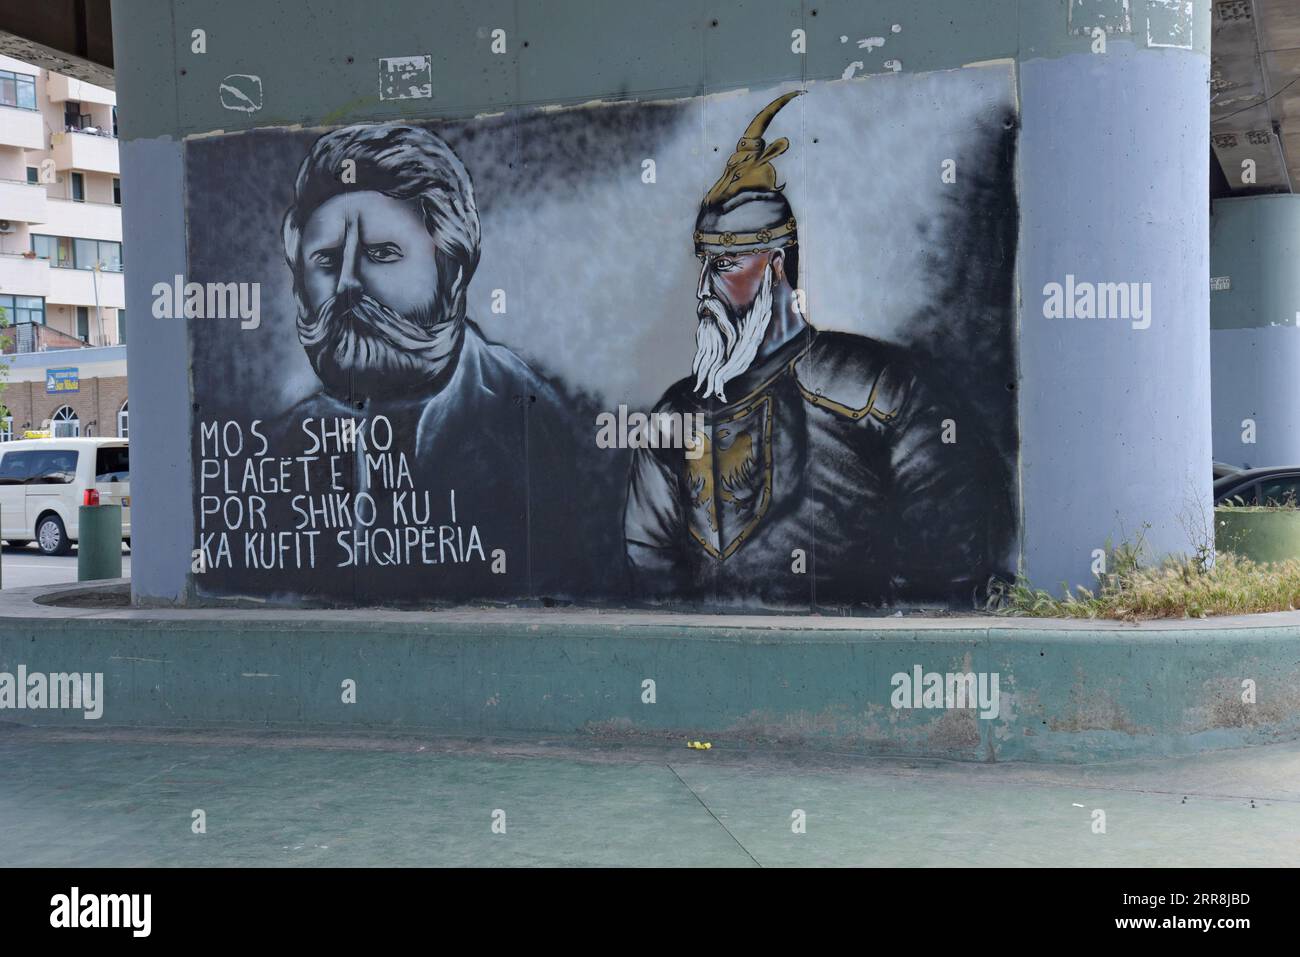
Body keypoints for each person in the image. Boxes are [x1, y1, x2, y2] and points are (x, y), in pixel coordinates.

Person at [623, 92, 1012, 608]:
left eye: (725, 266)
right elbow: (652, 573)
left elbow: (945, 570)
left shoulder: (882, 390)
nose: (705, 293)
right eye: (704, 267)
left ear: (778, 267)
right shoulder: (675, 416)